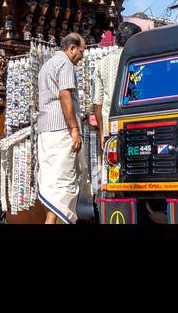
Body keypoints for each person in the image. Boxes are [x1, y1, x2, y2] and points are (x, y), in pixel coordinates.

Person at [36, 32, 86, 224]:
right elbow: (65, 95)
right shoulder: (65, 64)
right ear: (71, 48)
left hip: (46, 131)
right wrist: (74, 128)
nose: (81, 56)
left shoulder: (46, 65)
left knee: (53, 184)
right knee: (64, 183)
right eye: (81, 51)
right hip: (61, 130)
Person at [90, 22, 139, 141]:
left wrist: (102, 132)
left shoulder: (102, 63)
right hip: (135, 125)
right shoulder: (138, 60)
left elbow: (97, 102)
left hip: (110, 127)